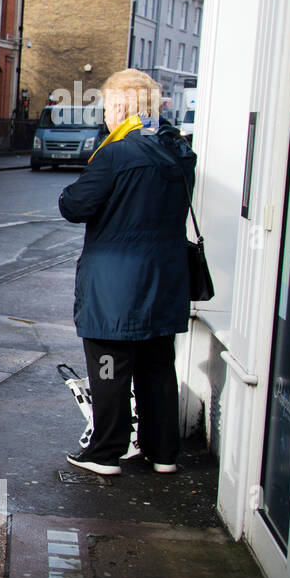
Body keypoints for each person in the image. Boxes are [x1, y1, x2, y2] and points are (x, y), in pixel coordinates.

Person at [59, 68, 196, 477]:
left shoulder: (117, 154)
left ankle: (106, 453)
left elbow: (74, 205)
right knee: (157, 365)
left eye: (106, 106)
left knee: (110, 368)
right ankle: (163, 453)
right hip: (166, 278)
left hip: (116, 284)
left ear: (120, 105)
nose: (104, 114)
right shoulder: (179, 151)